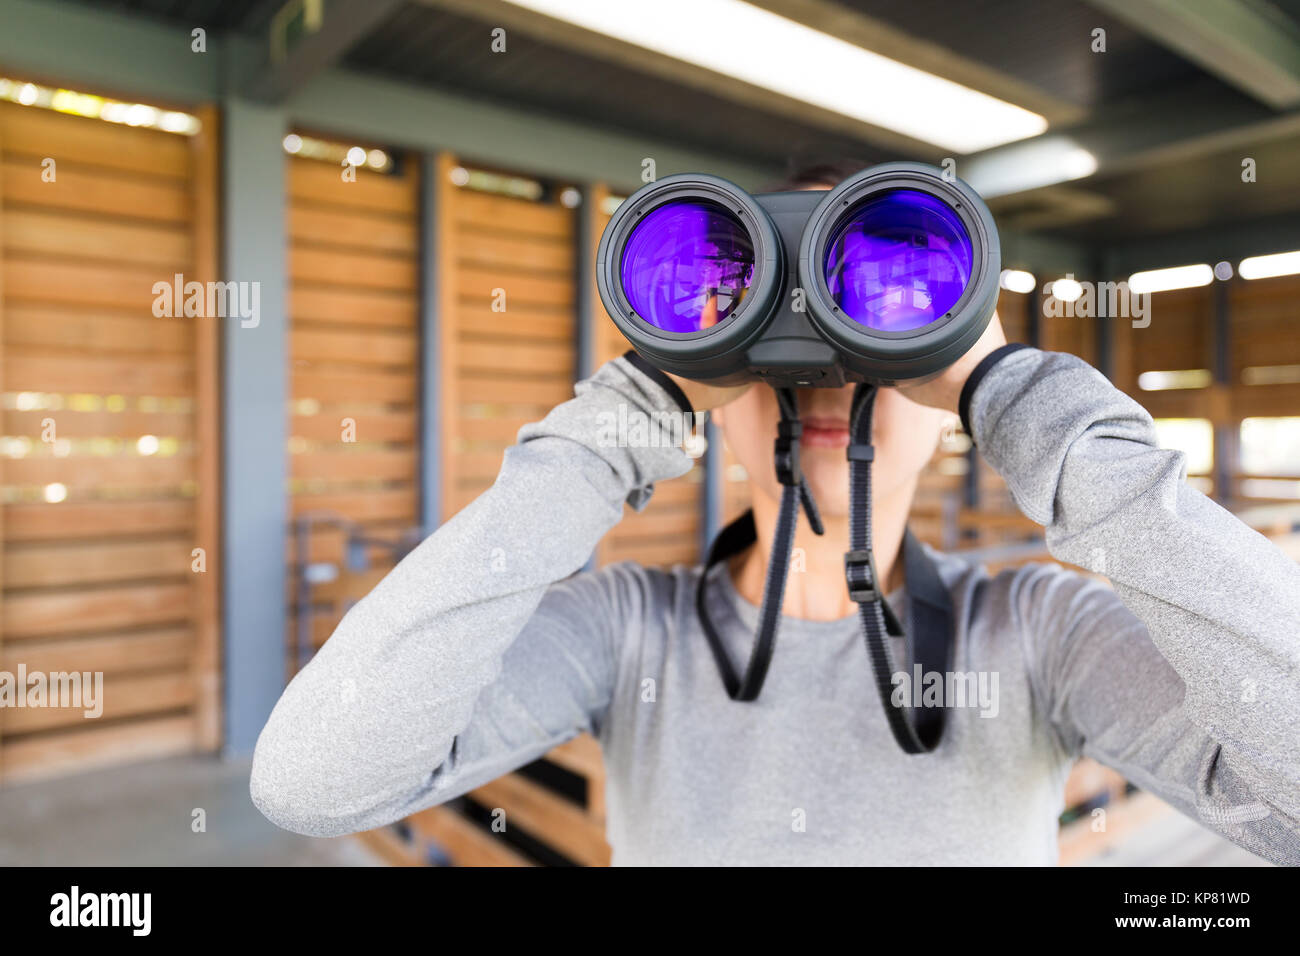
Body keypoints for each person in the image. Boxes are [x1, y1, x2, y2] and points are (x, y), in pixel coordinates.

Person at [250, 161, 1300, 865]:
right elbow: (314, 779)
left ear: (947, 406)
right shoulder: (627, 630)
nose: (819, 381)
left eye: (887, 315)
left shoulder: (1037, 633)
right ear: (712, 394)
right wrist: (622, 420)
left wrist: (1017, 395)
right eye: (753, 346)